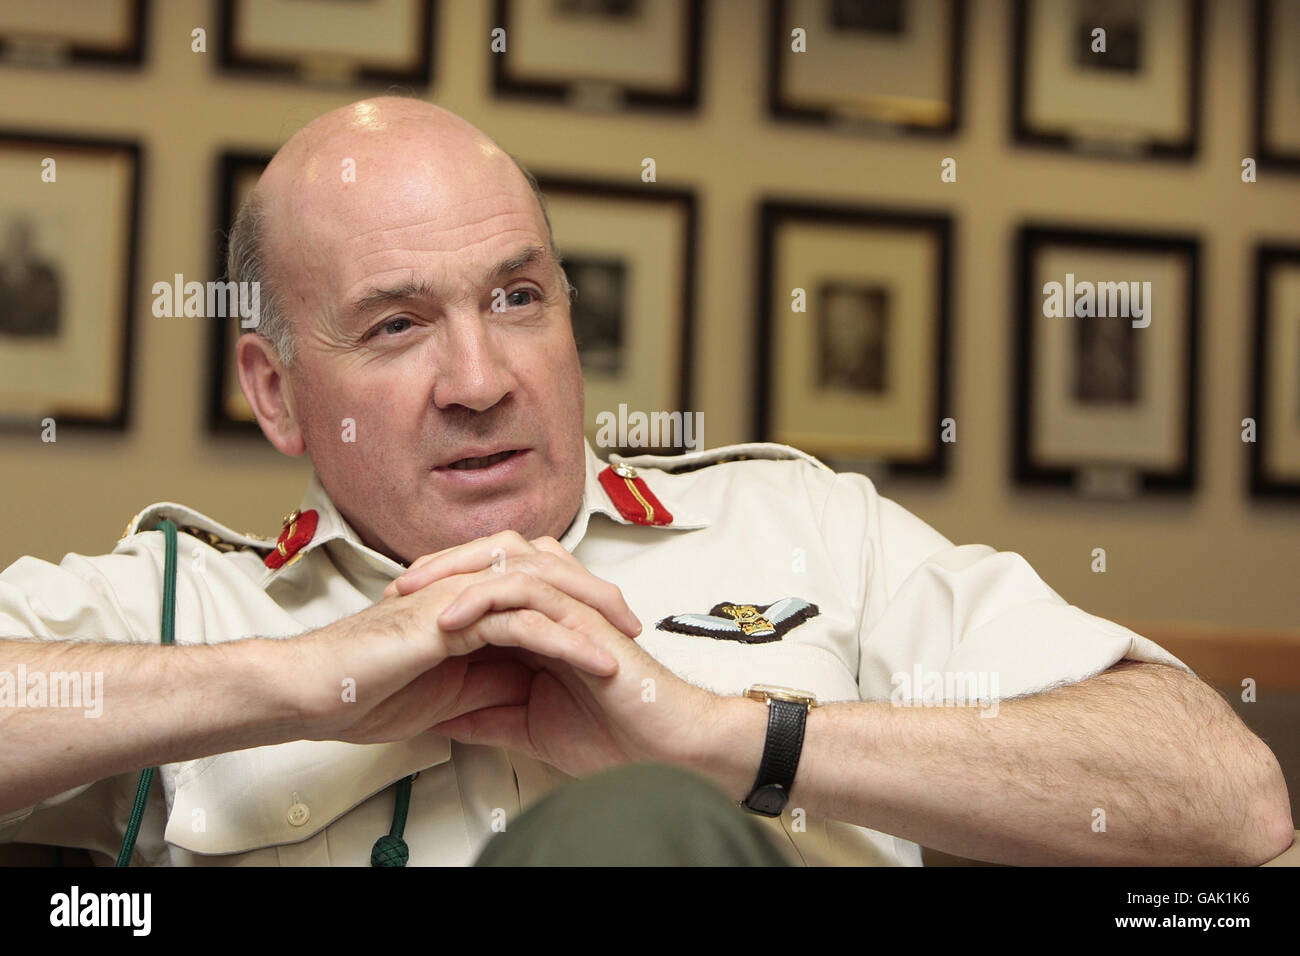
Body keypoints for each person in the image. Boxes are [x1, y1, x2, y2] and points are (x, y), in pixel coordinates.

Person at [0, 97, 1292, 867]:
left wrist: (731, 736)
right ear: (275, 390)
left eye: (518, 299)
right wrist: (298, 678)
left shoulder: (802, 531)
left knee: (636, 828)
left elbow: (1224, 798)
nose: (480, 376)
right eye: (397, 326)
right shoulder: (185, 599)